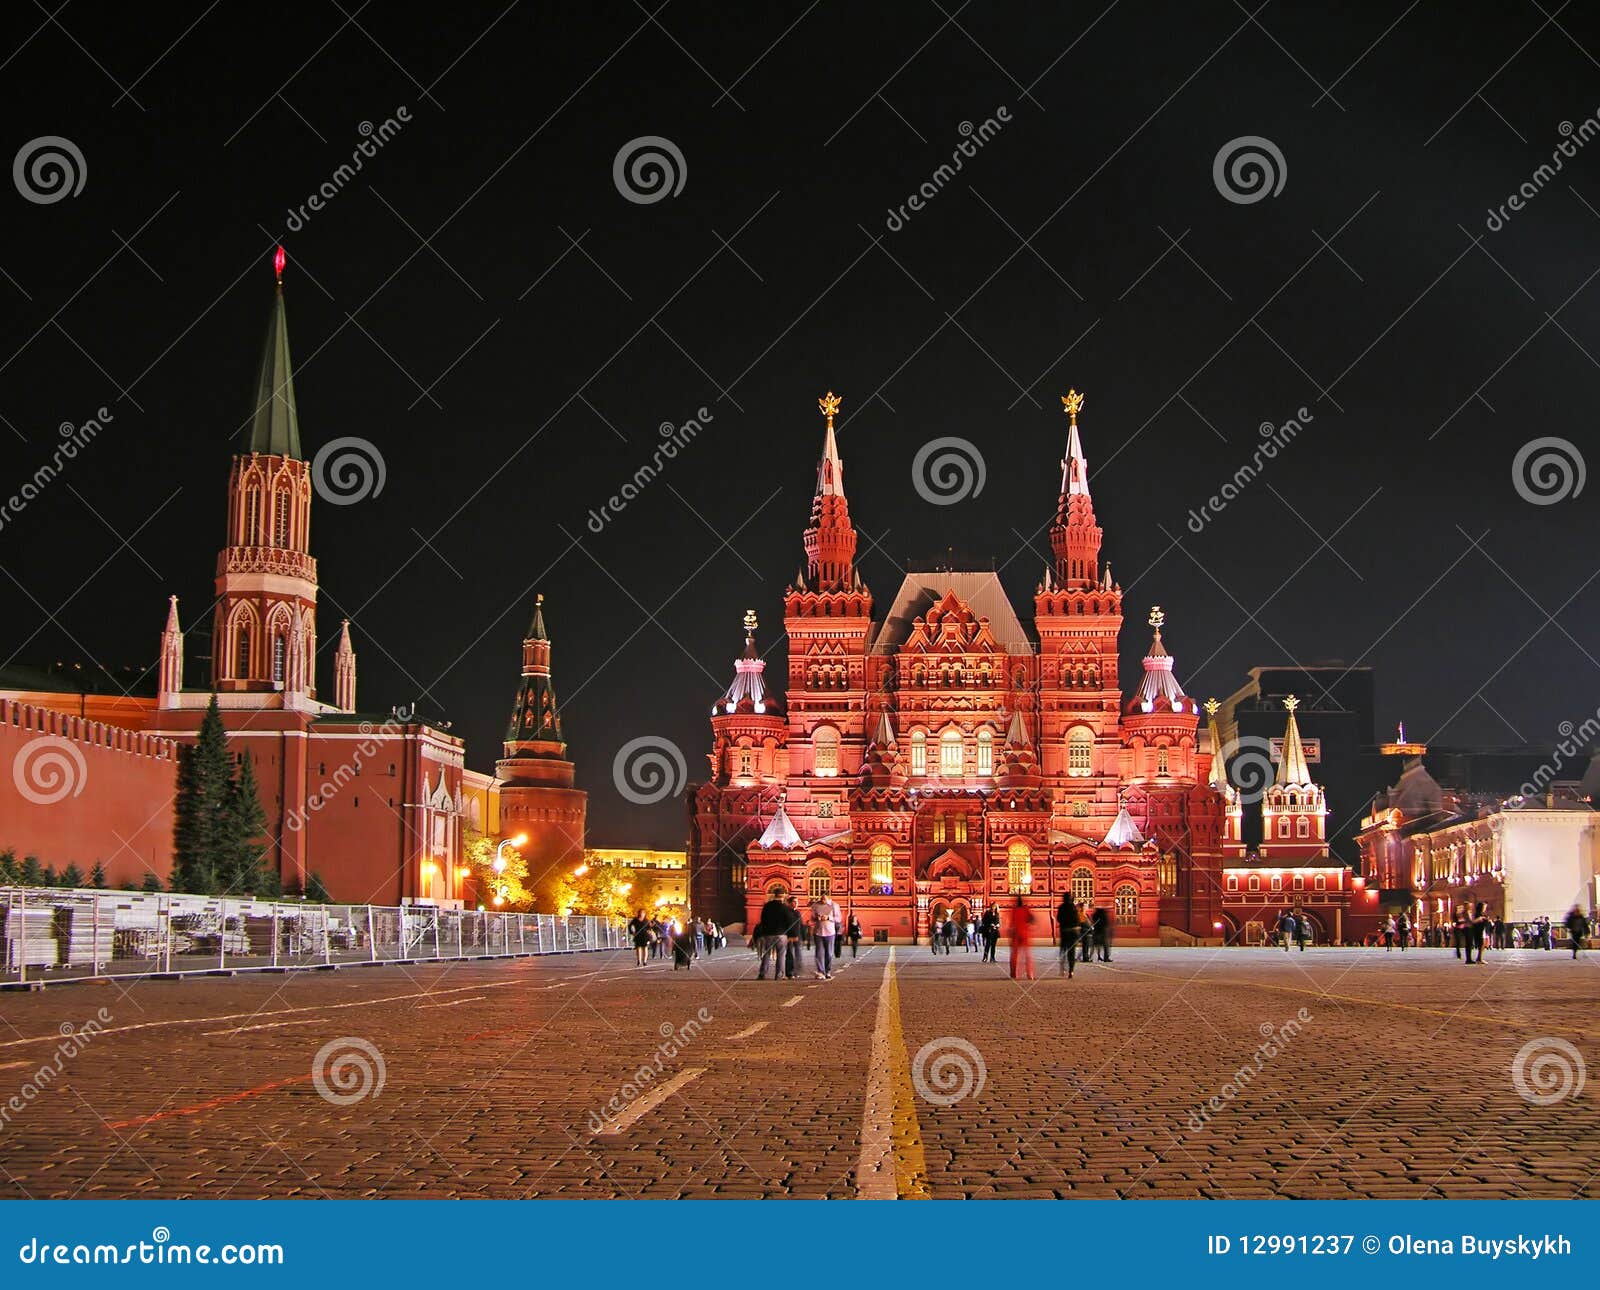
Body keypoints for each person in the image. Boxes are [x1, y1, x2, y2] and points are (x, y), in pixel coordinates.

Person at [754, 893, 789, 980]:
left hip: (768, 934)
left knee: (766, 954)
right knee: (781, 955)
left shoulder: (767, 906)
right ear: (782, 897)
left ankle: (762, 974)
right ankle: (779, 975)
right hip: (781, 934)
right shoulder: (784, 907)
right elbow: (788, 920)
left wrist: (764, 931)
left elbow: (762, 919)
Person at [810, 889, 841, 980]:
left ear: (828, 897)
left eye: (824, 898)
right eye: (821, 898)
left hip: (830, 932)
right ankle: (820, 971)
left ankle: (828, 971)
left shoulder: (834, 905)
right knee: (819, 953)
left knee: (829, 953)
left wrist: (828, 917)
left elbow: (838, 919)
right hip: (818, 932)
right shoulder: (815, 905)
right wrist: (817, 918)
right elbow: (812, 918)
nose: (822, 900)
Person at [1007, 895, 1035, 980]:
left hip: (1015, 933)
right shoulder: (1026, 909)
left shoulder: (1014, 910)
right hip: (1024, 933)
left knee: (1014, 955)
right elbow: (1032, 919)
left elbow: (1012, 922)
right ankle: (1030, 974)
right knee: (1027, 954)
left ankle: (1013, 973)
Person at [1056, 894, 1080, 978]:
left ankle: (1063, 969)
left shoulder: (1061, 907)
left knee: (1063, 951)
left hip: (1064, 932)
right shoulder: (1074, 907)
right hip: (1073, 933)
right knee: (1071, 952)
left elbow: (1058, 919)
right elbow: (1077, 920)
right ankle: (1071, 971)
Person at [784, 897, 803, 979]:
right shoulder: (787, 912)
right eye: (794, 902)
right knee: (789, 954)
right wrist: (789, 936)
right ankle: (789, 973)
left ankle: (797, 972)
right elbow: (786, 925)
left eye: (797, 902)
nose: (796, 903)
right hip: (789, 937)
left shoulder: (798, 912)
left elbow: (800, 925)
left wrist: (803, 937)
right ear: (790, 903)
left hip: (797, 937)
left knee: (798, 955)